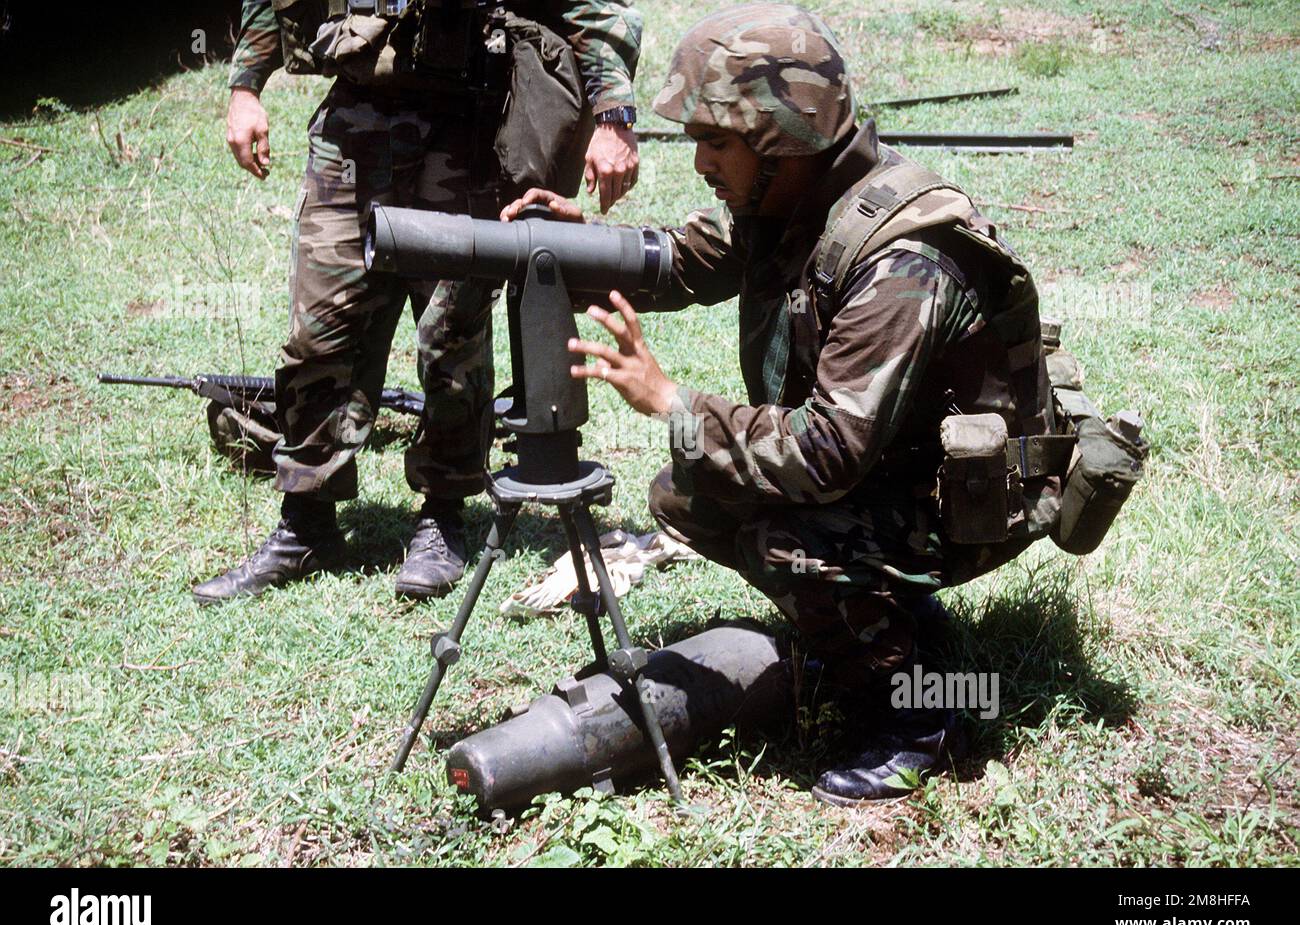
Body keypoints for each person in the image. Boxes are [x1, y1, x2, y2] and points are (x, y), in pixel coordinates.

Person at [502, 2, 1072, 805]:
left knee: (777, 536)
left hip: (977, 501)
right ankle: (899, 627)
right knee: (692, 493)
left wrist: (670, 400)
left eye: (716, 140)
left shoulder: (900, 261)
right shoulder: (791, 204)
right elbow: (684, 261)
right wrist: (573, 244)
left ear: (783, 141)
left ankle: (929, 716)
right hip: (898, 467)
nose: (699, 161)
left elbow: (824, 453)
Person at [195, 0, 644, 605]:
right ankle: (306, 523)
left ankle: (443, 515)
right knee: (320, 330)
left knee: (451, 338)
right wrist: (246, 86)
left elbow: (592, 7)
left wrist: (613, 116)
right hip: (355, 125)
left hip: (468, 130)